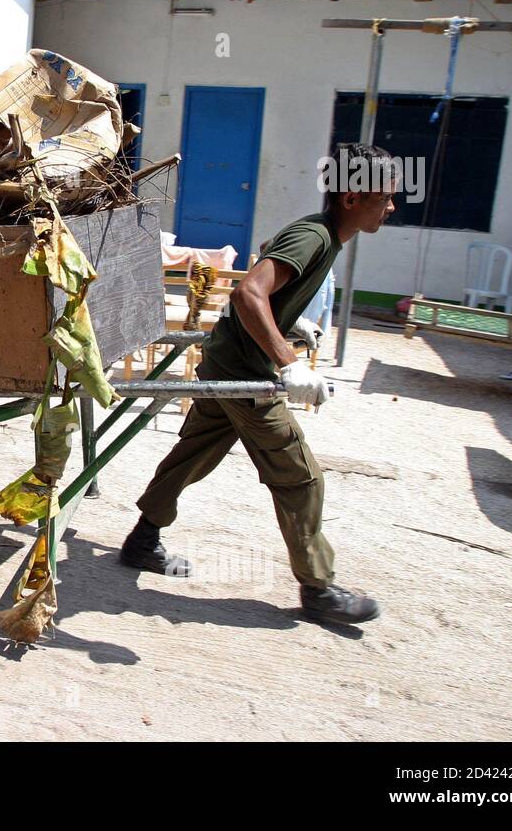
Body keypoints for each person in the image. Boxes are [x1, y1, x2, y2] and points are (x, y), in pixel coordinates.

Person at [119, 142, 399, 625]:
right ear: (352, 196)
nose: (391, 206)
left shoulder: (321, 236)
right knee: (300, 476)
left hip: (228, 362)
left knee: (191, 455)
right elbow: (251, 290)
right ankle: (318, 588)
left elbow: (269, 275)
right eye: (384, 197)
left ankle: (142, 540)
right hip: (244, 375)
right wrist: (288, 362)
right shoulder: (315, 235)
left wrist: (290, 323)